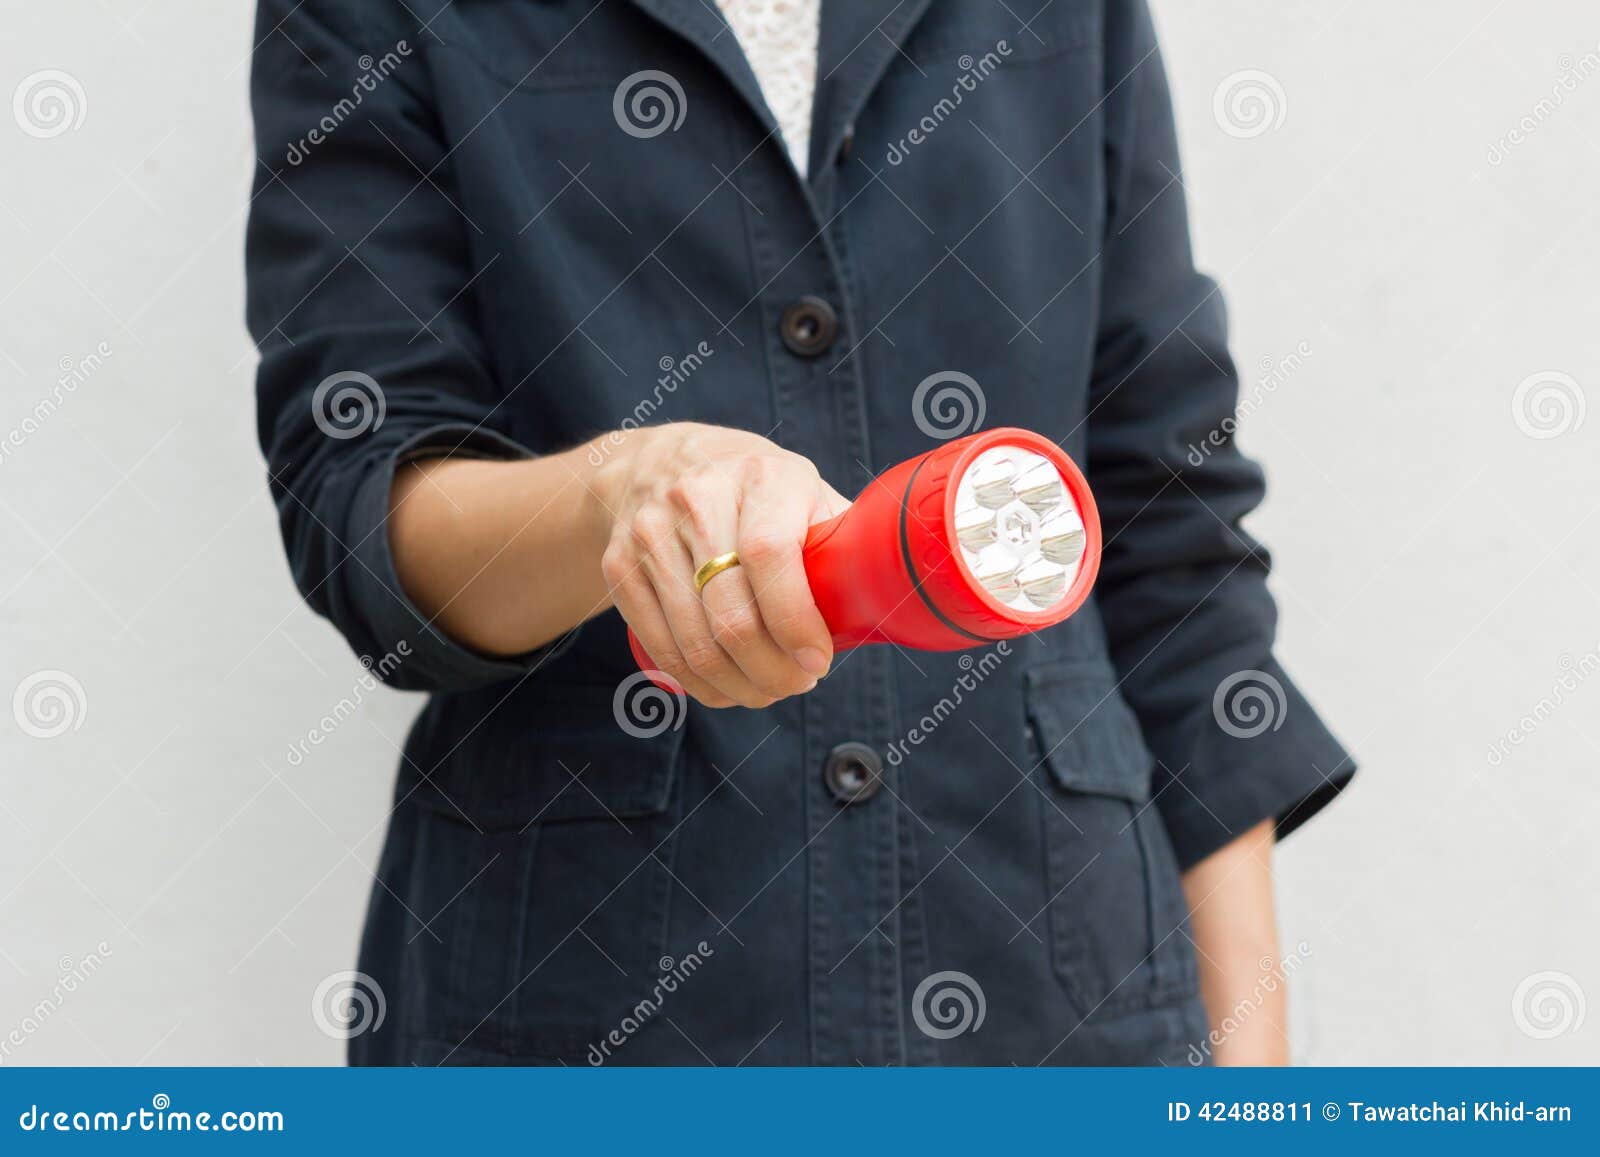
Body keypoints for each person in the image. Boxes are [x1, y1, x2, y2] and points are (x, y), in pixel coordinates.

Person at [246, 0, 1354, 1065]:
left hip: (1056, 1000)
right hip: (595, 1000)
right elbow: (364, 507)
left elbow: (1168, 530)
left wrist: (1248, 1078)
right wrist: (620, 491)